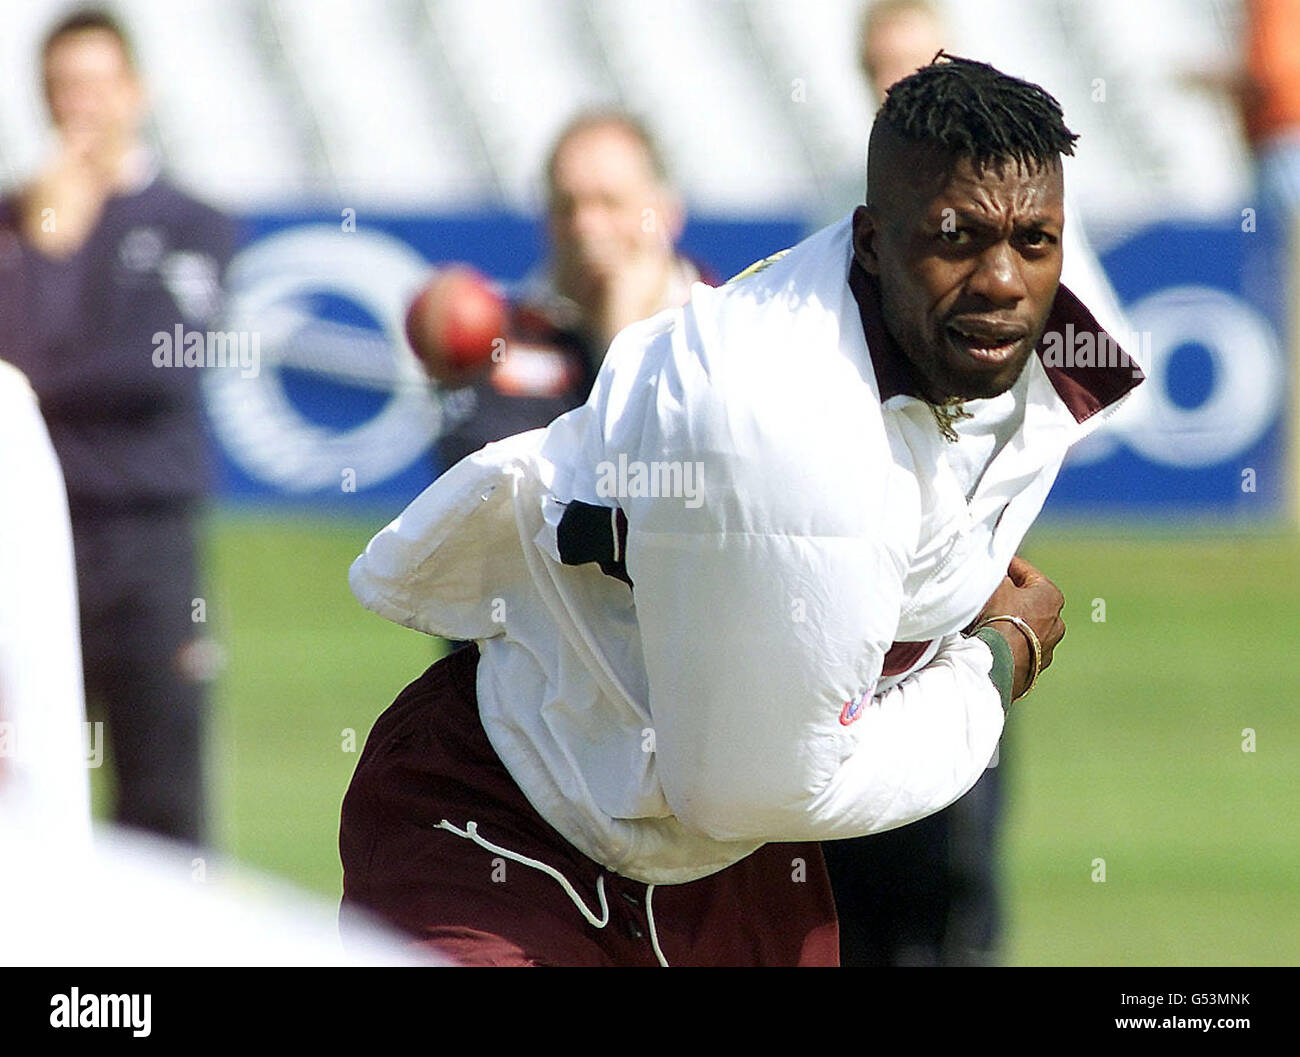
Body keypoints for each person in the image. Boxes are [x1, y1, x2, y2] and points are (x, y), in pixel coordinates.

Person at [339, 55, 1143, 967]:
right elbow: (765, 789)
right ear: (873, 242)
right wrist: (995, 661)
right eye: (956, 237)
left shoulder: (968, 331)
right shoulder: (791, 424)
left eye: (1035, 240)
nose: (1002, 279)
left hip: (728, 872)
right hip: (517, 815)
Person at [0, 9, 235, 845]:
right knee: (26, 803)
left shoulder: (191, 220)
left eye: (98, 84)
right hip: (28, 541)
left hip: (148, 549)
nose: (83, 106)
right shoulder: (17, 219)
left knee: (165, 812)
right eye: (65, 87)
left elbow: (154, 366)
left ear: (136, 92)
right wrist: (49, 243)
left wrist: (43, 365)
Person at [433, 109, 710, 470]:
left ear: (667, 212)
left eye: (610, 203)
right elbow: (489, 480)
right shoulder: (508, 339)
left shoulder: (717, 326)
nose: (586, 225)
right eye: (567, 206)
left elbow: (690, 478)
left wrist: (623, 336)